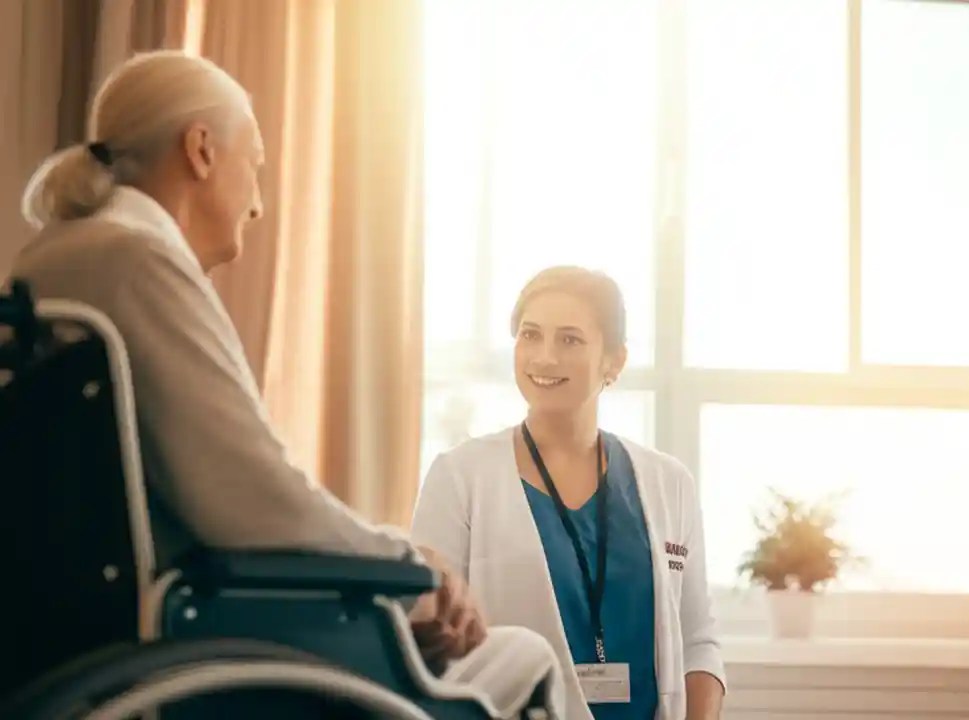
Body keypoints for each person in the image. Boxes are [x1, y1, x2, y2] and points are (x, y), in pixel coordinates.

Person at [11, 50, 561, 718]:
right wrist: (411, 562)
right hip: (203, 644)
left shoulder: (48, 261)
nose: (260, 202)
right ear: (202, 150)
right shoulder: (139, 258)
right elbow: (250, 503)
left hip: (84, 649)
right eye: (257, 164)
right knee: (523, 652)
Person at [411, 266, 726, 720]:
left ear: (613, 361)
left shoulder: (668, 483)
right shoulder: (460, 477)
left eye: (570, 340)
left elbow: (698, 641)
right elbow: (432, 634)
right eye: (530, 335)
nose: (544, 357)